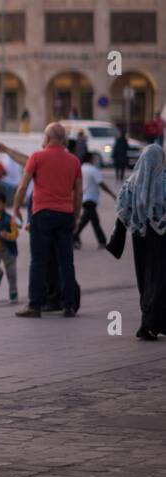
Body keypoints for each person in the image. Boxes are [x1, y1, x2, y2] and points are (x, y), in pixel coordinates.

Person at [12, 123, 82, 319]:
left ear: (48, 137)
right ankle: (68, 306)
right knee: (66, 262)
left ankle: (35, 306)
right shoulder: (74, 161)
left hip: (42, 214)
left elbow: (23, 186)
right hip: (65, 215)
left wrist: (16, 209)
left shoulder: (37, 157)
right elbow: (79, 193)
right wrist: (75, 215)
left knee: (38, 261)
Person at [106, 144, 166, 340]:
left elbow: (122, 212)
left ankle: (151, 320)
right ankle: (149, 323)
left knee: (143, 276)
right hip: (160, 237)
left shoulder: (130, 184)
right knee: (158, 277)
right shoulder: (163, 181)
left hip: (139, 235)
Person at [74, 152, 116, 249]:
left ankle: (102, 241)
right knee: (85, 221)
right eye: (93, 159)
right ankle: (74, 236)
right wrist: (112, 194)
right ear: (90, 159)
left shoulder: (81, 168)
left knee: (94, 221)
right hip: (91, 198)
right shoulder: (93, 170)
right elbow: (101, 184)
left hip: (83, 198)